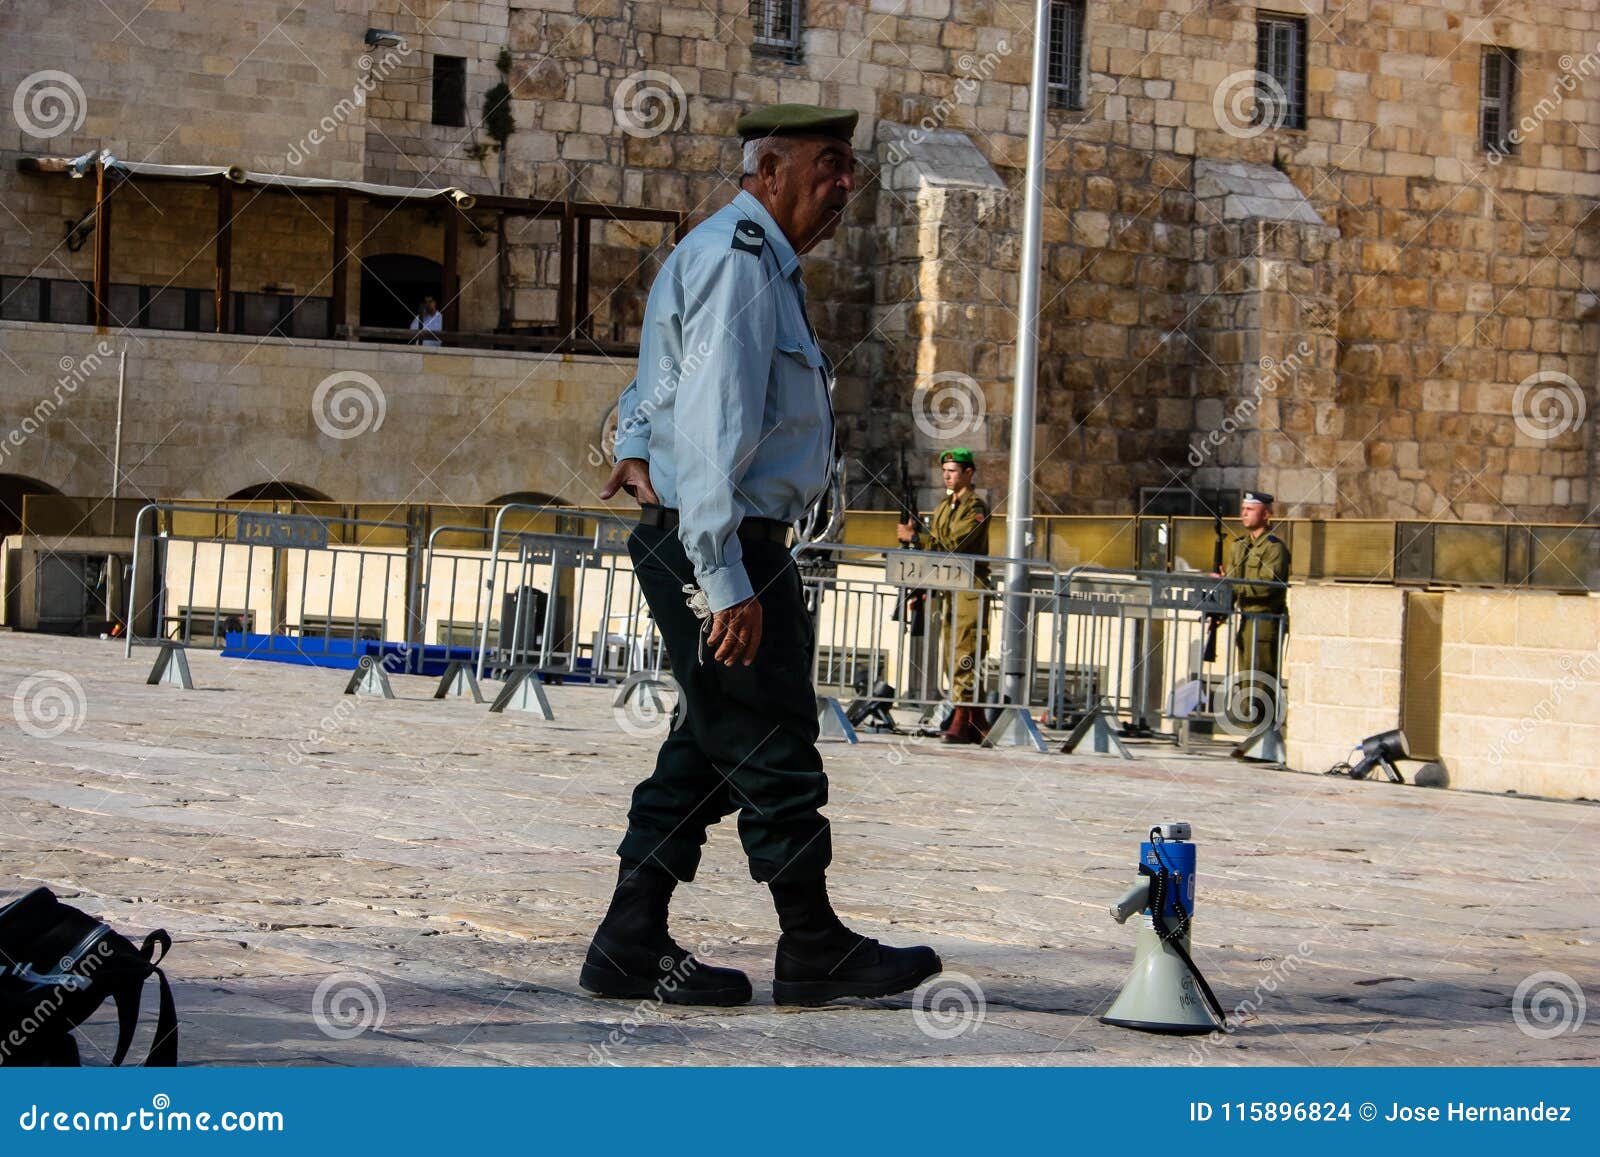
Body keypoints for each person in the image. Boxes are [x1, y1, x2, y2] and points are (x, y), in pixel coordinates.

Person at [584, 103, 941, 1008]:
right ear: (770, 167)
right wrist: (724, 578)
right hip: (726, 542)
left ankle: (630, 939)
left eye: (850, 167)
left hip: (733, 538)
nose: (846, 185)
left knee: (710, 745)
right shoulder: (741, 263)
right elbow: (708, 427)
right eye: (829, 165)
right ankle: (812, 942)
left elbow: (658, 378)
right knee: (772, 734)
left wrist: (632, 437)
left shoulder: (744, 258)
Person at [896, 447, 990, 744]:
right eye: (945, 471)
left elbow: (955, 543)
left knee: (965, 652)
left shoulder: (975, 507)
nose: (947, 475)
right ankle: (977, 721)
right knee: (953, 654)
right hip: (948, 588)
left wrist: (916, 536)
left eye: (953, 471)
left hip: (969, 589)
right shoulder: (943, 506)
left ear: (968, 473)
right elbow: (934, 551)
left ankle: (963, 719)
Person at [1222, 490, 1289, 730]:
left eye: (1250, 509)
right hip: (1246, 617)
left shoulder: (1274, 548)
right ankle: (1252, 726)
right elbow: (1230, 580)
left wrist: (1232, 585)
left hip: (1265, 619)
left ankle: (1265, 731)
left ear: (1266, 514)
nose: (1244, 514)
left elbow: (1266, 587)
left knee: (1262, 674)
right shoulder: (1239, 545)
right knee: (1247, 674)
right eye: (1243, 509)